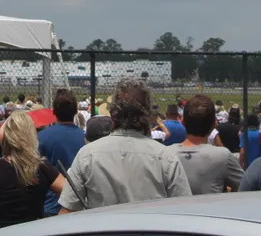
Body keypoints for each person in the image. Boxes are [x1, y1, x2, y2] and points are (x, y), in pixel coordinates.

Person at [58, 78, 191, 212]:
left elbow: (67, 210)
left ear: (112, 114)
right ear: (148, 115)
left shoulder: (87, 155)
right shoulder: (166, 157)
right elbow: (184, 210)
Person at [0, 112, 66, 234]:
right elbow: (68, 192)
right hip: (33, 231)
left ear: (4, 137)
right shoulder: (42, 167)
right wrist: (58, 221)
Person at [168, 94, 243, 194]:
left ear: (183, 122)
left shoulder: (166, 154)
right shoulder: (222, 155)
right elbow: (245, 185)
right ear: (213, 125)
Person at [37, 88, 86, 217]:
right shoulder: (85, 138)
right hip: (79, 204)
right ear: (75, 112)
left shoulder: (41, 138)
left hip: (49, 205)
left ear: (54, 112)